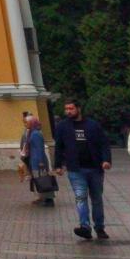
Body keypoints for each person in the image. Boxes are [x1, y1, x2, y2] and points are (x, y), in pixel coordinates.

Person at [52, 99, 111, 242]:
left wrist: (106, 160)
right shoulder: (62, 127)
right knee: (80, 197)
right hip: (75, 169)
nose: (68, 111)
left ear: (78, 108)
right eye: (66, 109)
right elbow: (59, 147)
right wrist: (58, 165)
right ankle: (85, 227)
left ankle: (100, 227)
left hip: (95, 168)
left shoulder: (92, 125)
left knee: (96, 198)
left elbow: (103, 143)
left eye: (71, 108)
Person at [19, 113, 55, 207]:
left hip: (38, 161)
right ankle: (42, 198)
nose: (25, 124)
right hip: (34, 160)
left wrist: (40, 162)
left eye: (26, 122)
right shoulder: (31, 132)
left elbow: (40, 149)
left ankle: (48, 199)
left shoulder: (36, 134)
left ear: (32, 123)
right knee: (38, 179)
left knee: (44, 179)